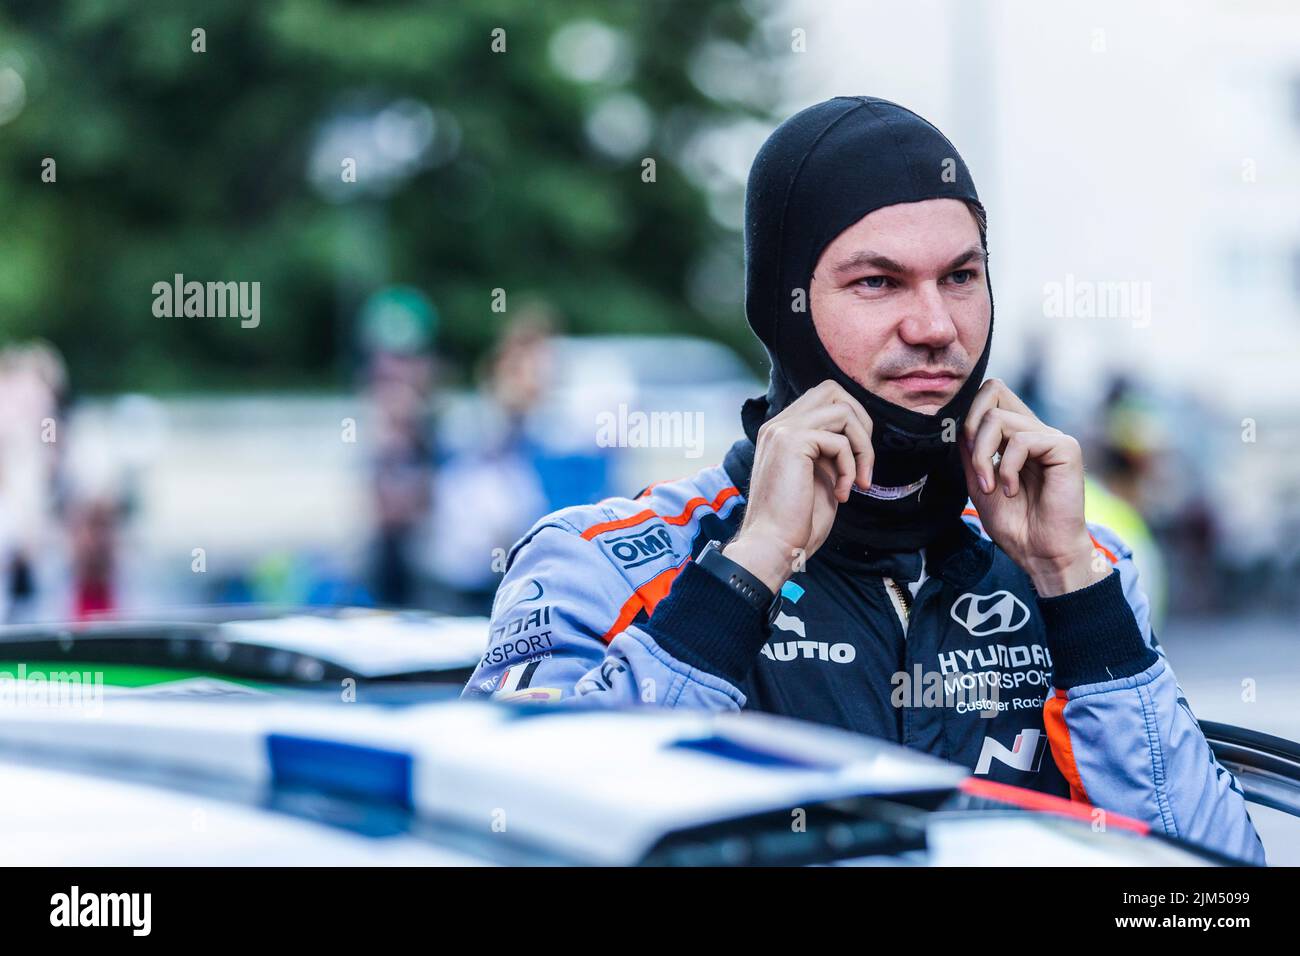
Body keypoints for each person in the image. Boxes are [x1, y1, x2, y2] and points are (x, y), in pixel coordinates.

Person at [462, 97, 1264, 863]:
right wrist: (746, 572)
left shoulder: (1073, 568)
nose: (935, 327)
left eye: (960, 276)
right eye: (877, 282)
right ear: (785, 308)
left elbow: (1212, 890)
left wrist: (1072, 584)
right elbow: (494, 839)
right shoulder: (601, 563)